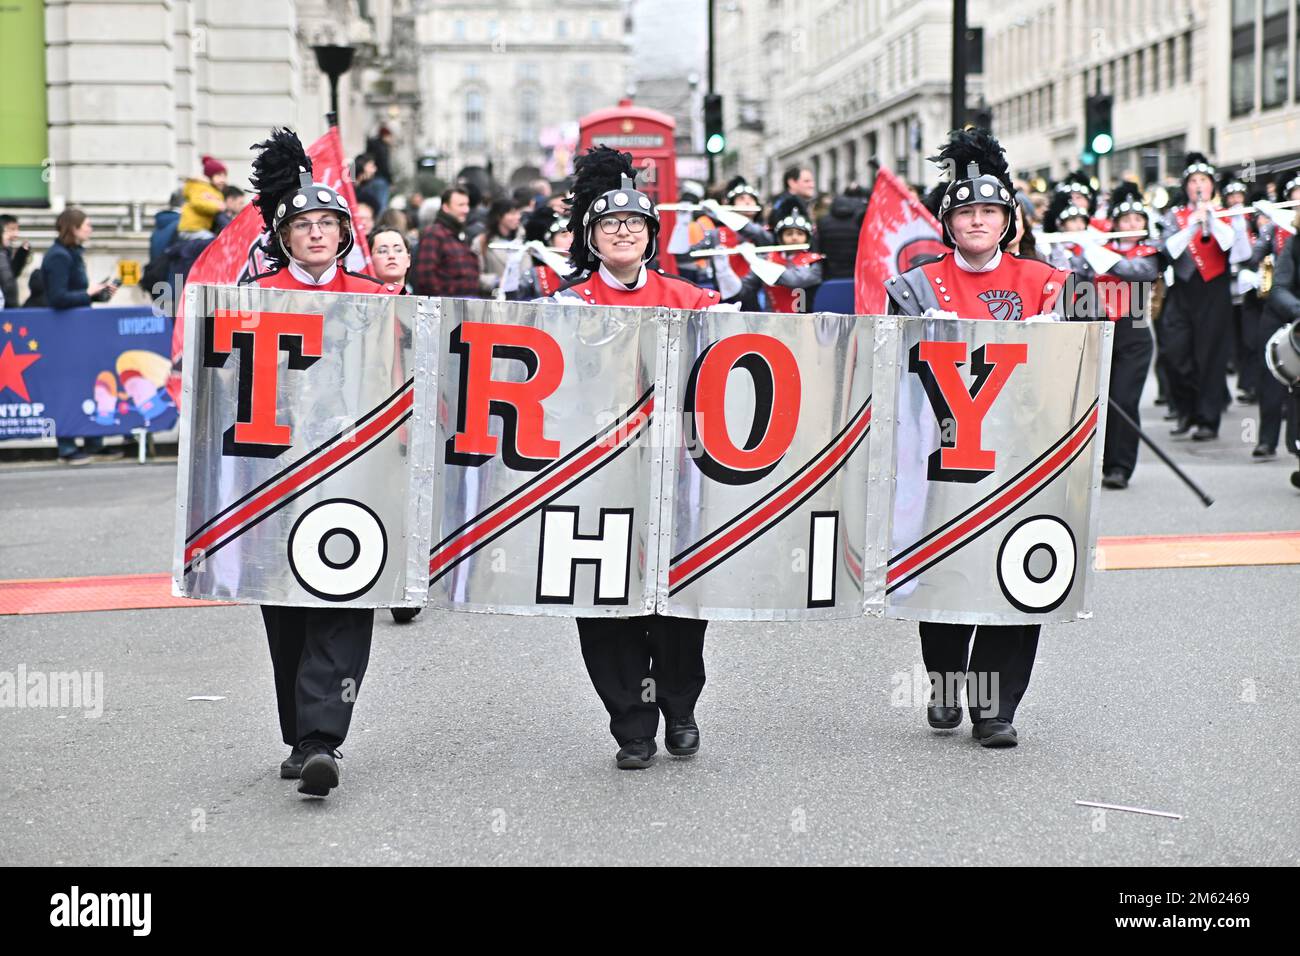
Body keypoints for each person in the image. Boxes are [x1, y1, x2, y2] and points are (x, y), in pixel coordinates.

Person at [884, 128, 1071, 748]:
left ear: (1008, 218)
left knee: (1014, 579)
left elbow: (1074, 370)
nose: (978, 220)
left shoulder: (1045, 281)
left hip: (1025, 452)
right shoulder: (913, 287)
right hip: (942, 455)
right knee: (945, 576)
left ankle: (995, 708)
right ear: (947, 221)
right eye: (965, 211)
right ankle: (944, 682)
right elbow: (886, 374)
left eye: (990, 210)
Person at [544, 146, 726, 770]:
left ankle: (679, 705)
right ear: (591, 238)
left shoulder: (695, 299)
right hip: (593, 475)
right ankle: (632, 723)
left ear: (651, 236)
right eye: (609, 224)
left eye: (635, 224)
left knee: (677, 602)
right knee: (602, 603)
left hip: (676, 469)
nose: (623, 232)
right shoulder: (567, 306)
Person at [243, 128, 397, 798]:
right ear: (284, 235)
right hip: (276, 475)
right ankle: (299, 730)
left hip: (356, 476)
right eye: (303, 224)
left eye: (327, 224)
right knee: (286, 607)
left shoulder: (377, 297)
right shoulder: (253, 299)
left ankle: (321, 738)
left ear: (343, 234)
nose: (315, 233)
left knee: (344, 597)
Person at [1068, 182, 1161, 490]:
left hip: (1134, 335)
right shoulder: (1099, 249)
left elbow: (1136, 272)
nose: (1132, 225)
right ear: (1116, 224)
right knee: (1094, 401)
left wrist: (1097, 251)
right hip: (1100, 330)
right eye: (1126, 220)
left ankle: (1120, 466)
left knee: (1124, 399)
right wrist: (1078, 246)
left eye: (1138, 220)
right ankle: (1094, 462)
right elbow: (1074, 277)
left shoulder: (1150, 252)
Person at [1159, 153, 1253, 441]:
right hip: (1183, 290)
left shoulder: (1225, 214)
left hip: (1214, 291)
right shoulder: (1174, 216)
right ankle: (1185, 409)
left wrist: (1215, 218)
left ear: (1212, 186)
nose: (1198, 185)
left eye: (1203, 180)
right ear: (1186, 187)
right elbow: (1169, 251)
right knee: (1174, 353)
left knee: (1210, 356)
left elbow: (1238, 253)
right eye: (1193, 181)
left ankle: (1207, 419)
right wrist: (1191, 224)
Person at [41, 208, 119, 463]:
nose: (90, 229)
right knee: (68, 386)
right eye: (87, 224)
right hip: (64, 333)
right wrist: (89, 293)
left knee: (89, 383)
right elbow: (57, 297)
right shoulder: (58, 257)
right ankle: (67, 445)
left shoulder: (73, 254)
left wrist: (100, 293)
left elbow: (77, 292)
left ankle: (93, 440)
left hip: (79, 331)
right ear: (73, 228)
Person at [1257, 170, 1300, 464]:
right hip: (1285, 319)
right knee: (1277, 379)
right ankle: (1267, 439)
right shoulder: (1294, 242)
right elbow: (1280, 287)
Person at [731, 209, 824, 313]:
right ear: (780, 238)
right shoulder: (767, 258)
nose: (794, 238)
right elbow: (745, 289)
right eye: (789, 234)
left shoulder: (814, 262)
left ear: (807, 238)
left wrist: (754, 259)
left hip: (803, 321)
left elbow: (794, 280)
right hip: (771, 320)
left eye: (800, 234)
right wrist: (723, 268)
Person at [411, 186, 480, 298]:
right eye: (461, 205)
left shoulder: (460, 235)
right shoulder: (434, 234)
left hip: (464, 306)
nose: (466, 210)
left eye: (467, 205)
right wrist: (444, 304)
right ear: (446, 207)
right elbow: (426, 277)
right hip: (447, 308)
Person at [511, 206, 573, 300]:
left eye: (573, 236)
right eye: (564, 236)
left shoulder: (585, 269)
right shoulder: (535, 272)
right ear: (551, 240)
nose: (570, 240)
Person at [472, 198, 524, 297]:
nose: (517, 217)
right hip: (493, 300)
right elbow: (474, 275)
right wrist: (495, 281)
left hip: (523, 299)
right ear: (499, 216)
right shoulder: (482, 242)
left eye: (518, 213)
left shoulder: (524, 240)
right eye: (512, 213)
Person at [817, 187, 867, 280]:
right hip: (855, 273)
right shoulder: (859, 221)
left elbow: (819, 248)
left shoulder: (823, 222)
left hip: (831, 274)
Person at [178, 156, 227, 239]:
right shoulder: (199, 187)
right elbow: (197, 203)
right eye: (219, 175)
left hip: (202, 229)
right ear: (209, 176)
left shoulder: (215, 191)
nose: (223, 180)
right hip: (192, 228)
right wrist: (217, 206)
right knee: (211, 241)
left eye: (224, 176)